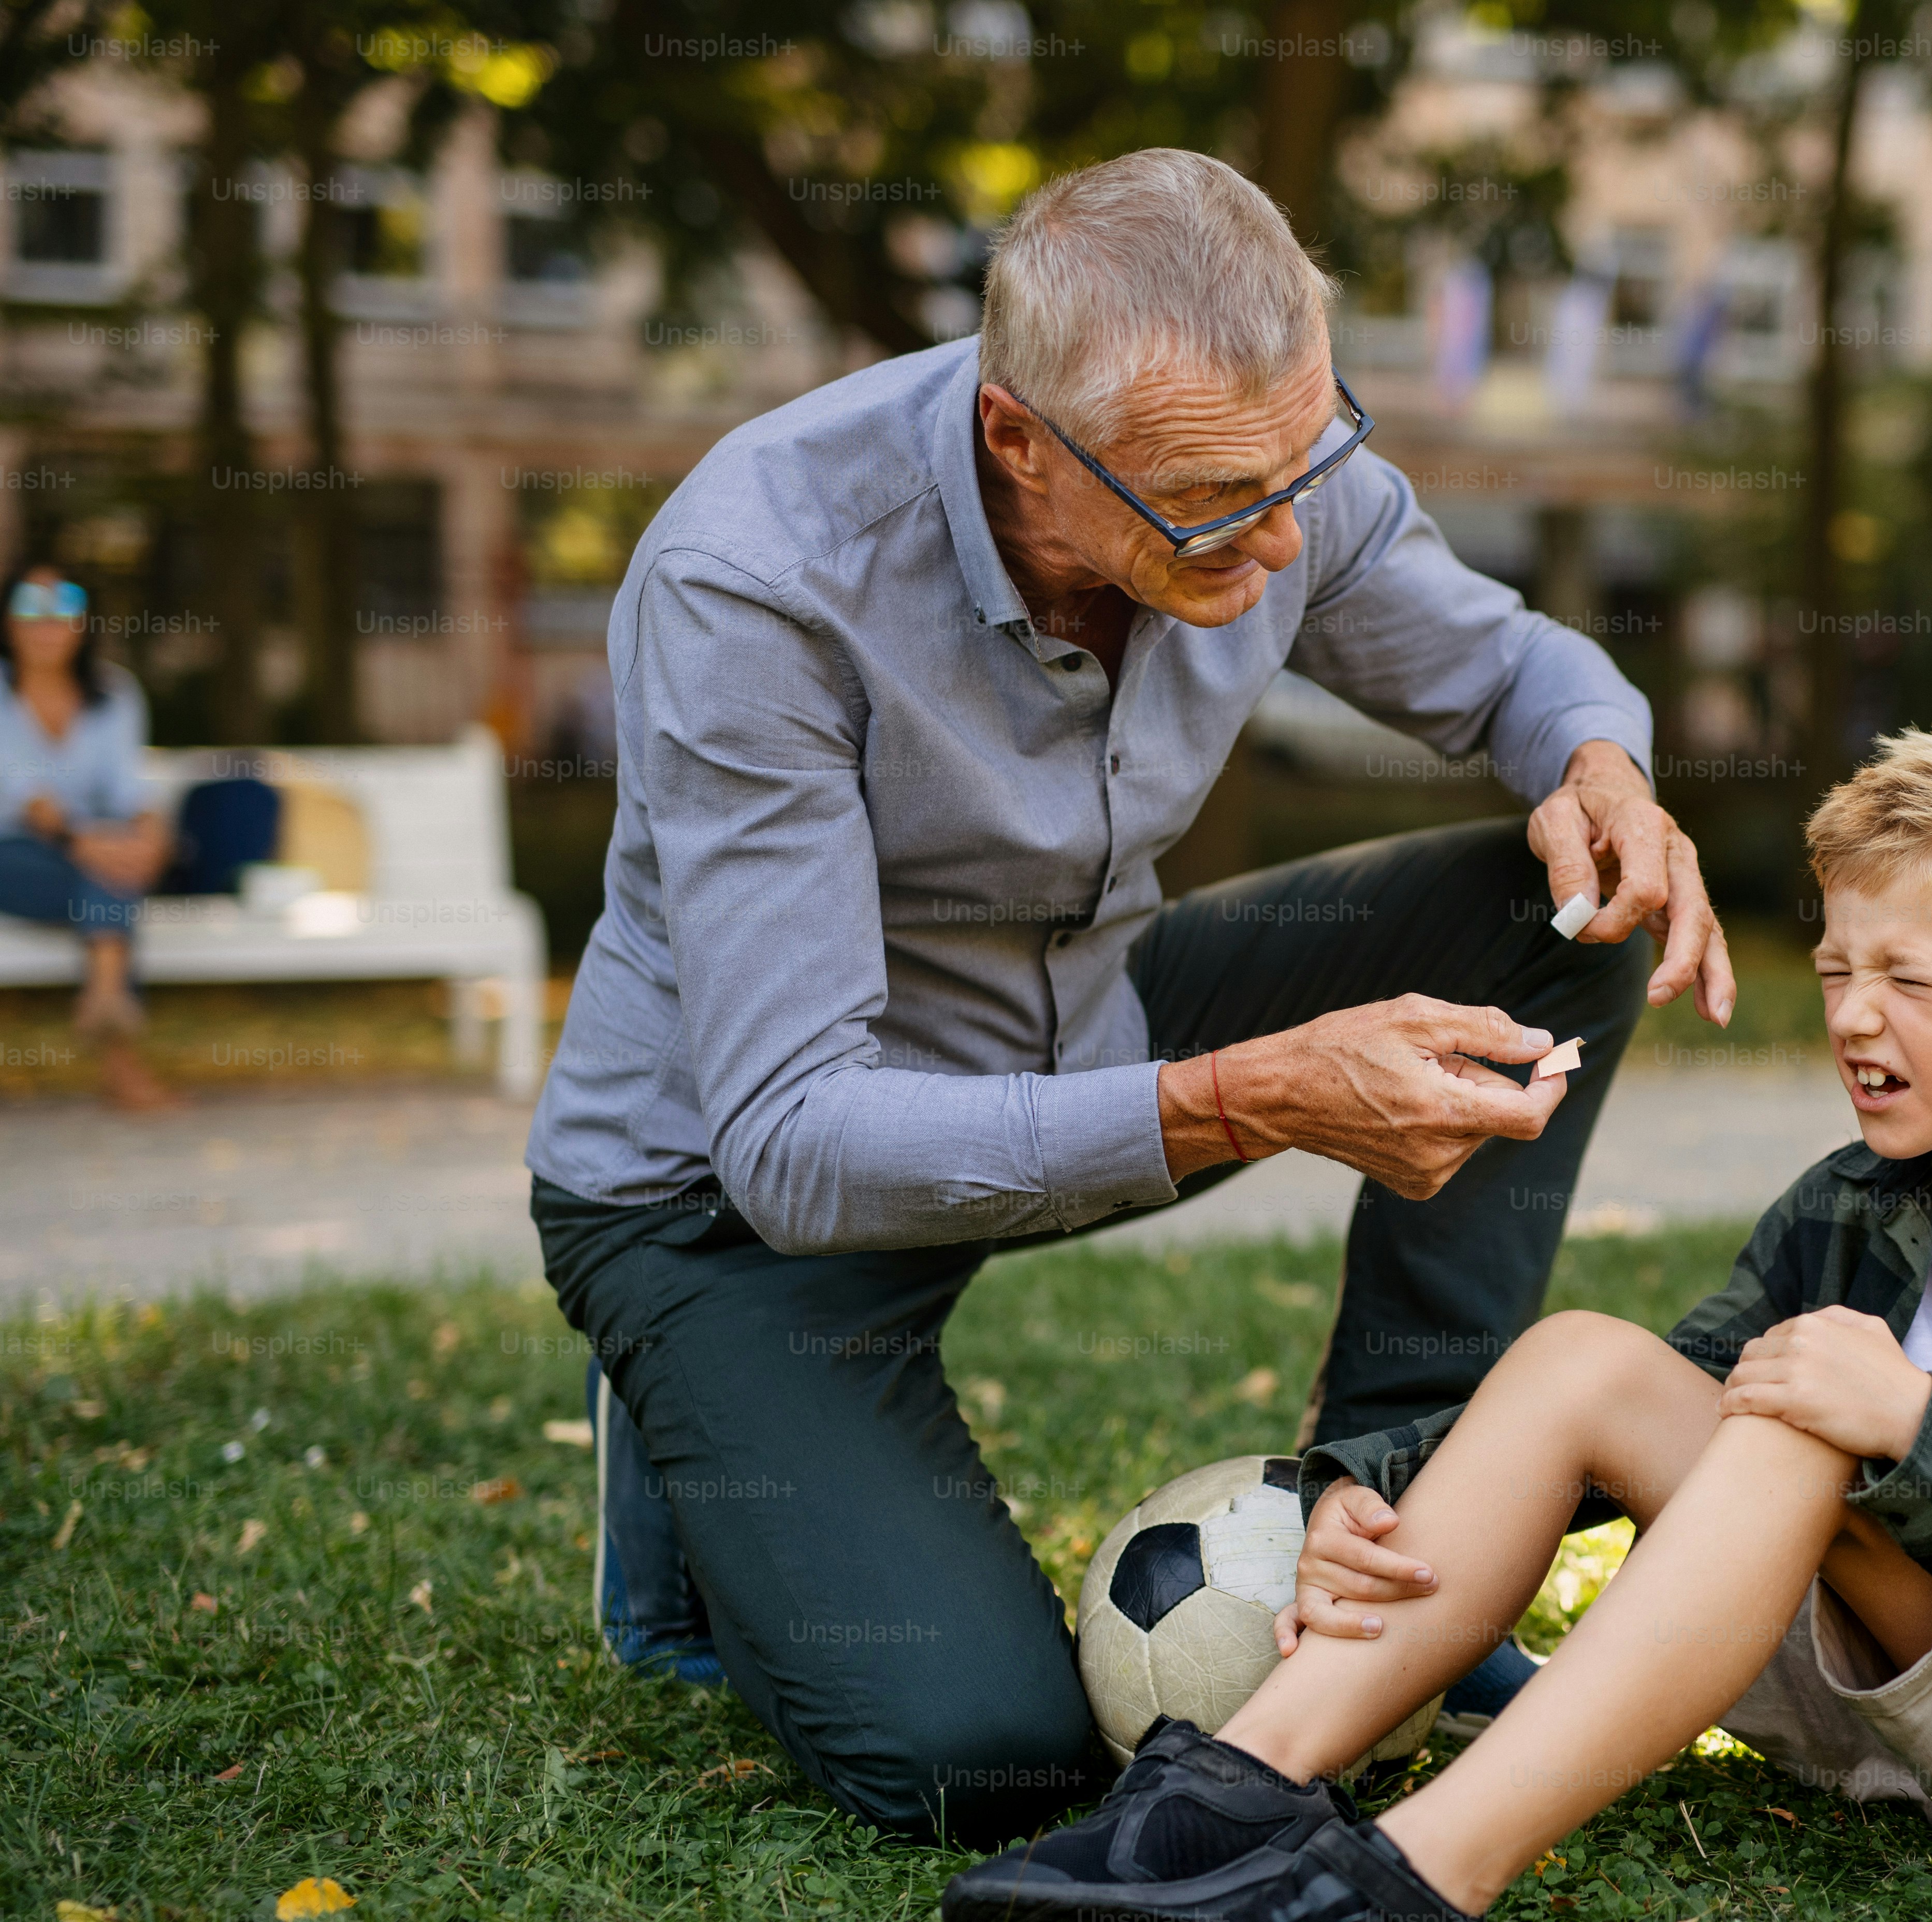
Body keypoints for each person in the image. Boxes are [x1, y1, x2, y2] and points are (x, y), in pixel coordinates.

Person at [523, 148, 1736, 1842]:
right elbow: (791, 1142)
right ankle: (690, 1424)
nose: (1285, 535)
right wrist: (1252, 1097)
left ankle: (1414, 1527)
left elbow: (1516, 667)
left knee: (1568, 911)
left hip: (1080, 1025)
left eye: (1303, 465)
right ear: (1019, 439)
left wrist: (1600, 765)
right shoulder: (758, 581)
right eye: (1217, 499)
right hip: (736, 1192)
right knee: (982, 1755)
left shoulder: (1259, 459)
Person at [946, 719, 1932, 1922]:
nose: (1851, 1014)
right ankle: (1214, 1806)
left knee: (1800, 1425)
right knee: (1588, 1358)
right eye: (1836, 967)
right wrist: (1363, 1481)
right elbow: (1647, 1403)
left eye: (1910, 981)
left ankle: (1408, 1879)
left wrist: (1912, 1430)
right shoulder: (1855, 1201)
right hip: (1901, 1708)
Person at [0, 564, 176, 1110]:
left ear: (83, 621)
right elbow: (24, 798)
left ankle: (105, 1000)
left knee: (109, 875)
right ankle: (119, 1053)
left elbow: (129, 790)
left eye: (64, 607)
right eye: (31, 607)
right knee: (108, 875)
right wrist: (94, 844)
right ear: (7, 620)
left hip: (83, 857)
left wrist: (151, 837)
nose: (47, 622)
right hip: (13, 856)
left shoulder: (115, 693)